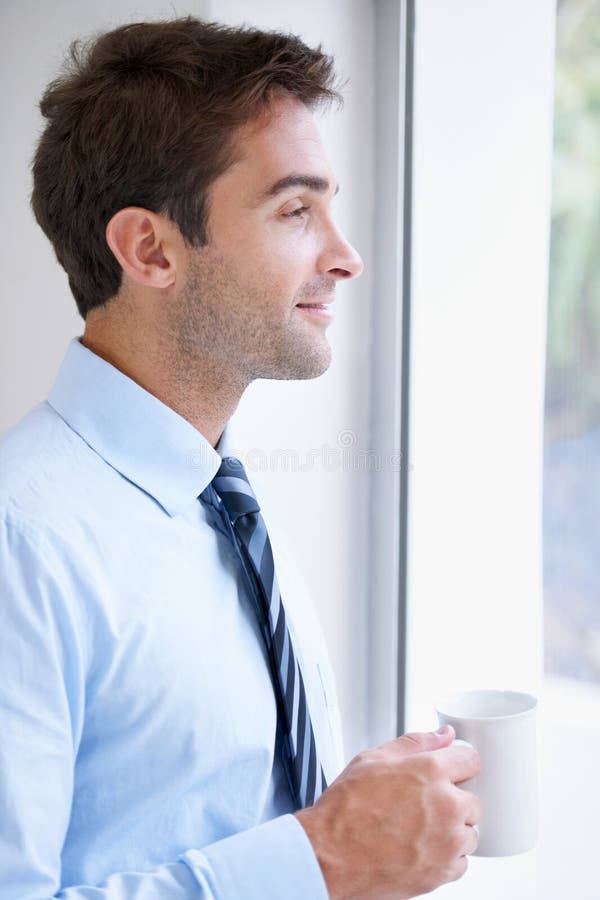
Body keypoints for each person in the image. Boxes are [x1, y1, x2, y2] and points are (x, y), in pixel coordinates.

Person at [0, 17, 482, 899]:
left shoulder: (225, 504)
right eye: (296, 209)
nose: (347, 256)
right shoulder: (19, 542)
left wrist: (358, 825)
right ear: (151, 249)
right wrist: (322, 858)